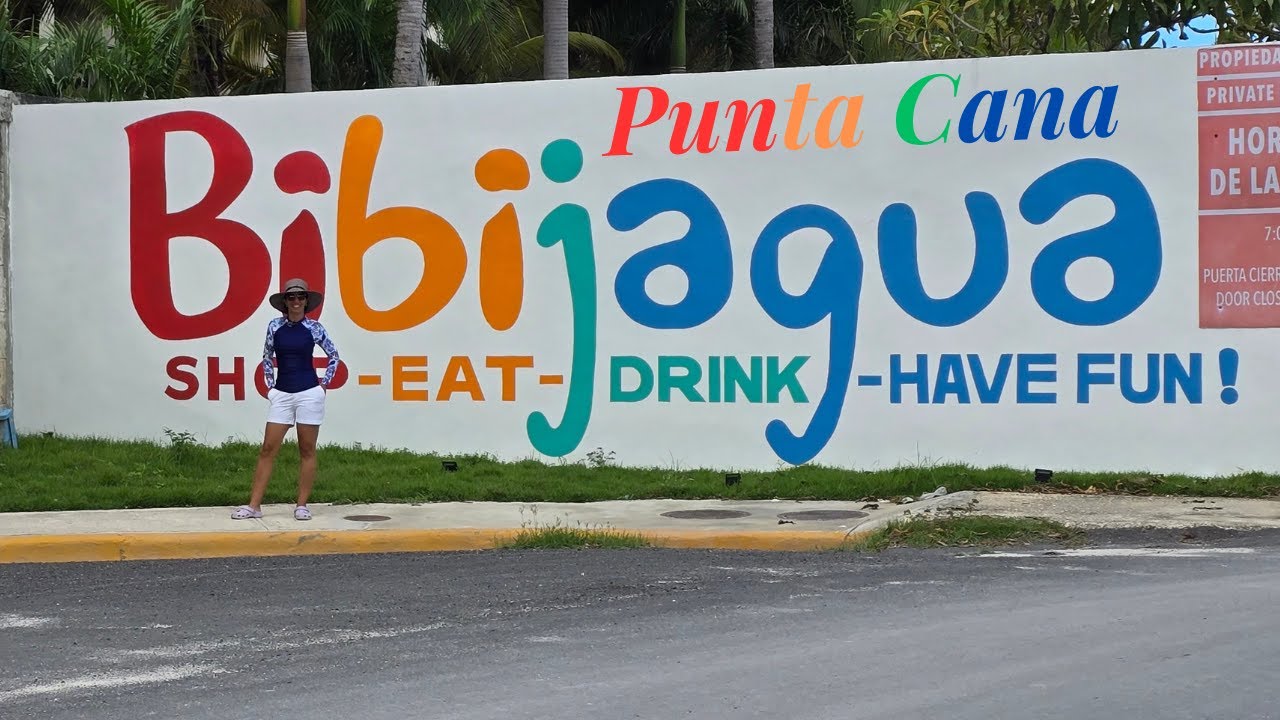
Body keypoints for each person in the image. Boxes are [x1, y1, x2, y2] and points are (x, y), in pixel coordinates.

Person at [232, 278, 340, 521]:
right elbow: (267, 356)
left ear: (306, 301)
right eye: (291, 297)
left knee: (307, 449)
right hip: (282, 392)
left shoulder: (315, 328)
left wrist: (324, 385)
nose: (296, 301)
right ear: (285, 301)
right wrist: (270, 387)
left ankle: (301, 505)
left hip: (309, 392)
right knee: (268, 448)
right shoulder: (274, 326)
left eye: (300, 297)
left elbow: (334, 355)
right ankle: (254, 506)